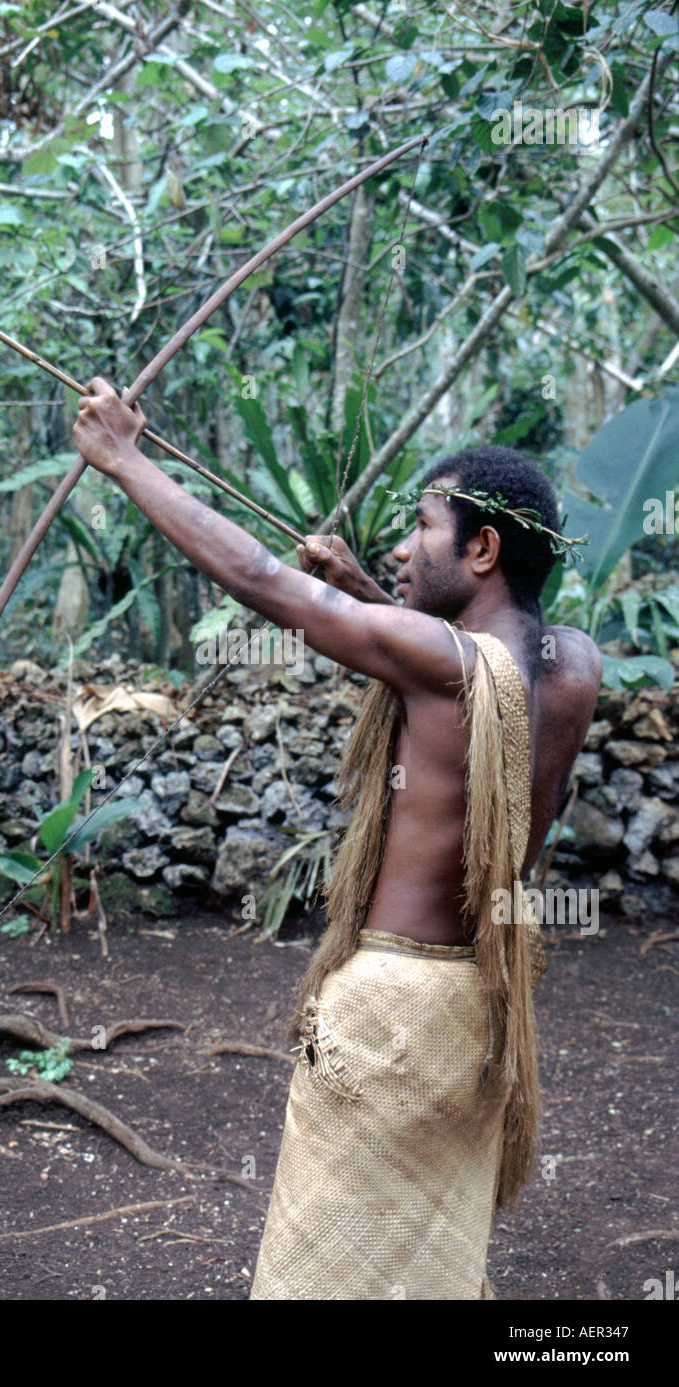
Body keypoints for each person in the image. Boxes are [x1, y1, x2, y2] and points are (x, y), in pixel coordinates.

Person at [73, 381, 602, 1300]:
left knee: (328, 1271)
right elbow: (480, 669)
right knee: (425, 1268)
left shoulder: (438, 660)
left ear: (482, 548)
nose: (400, 547)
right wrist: (365, 594)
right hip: (479, 1007)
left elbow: (264, 584)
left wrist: (125, 460)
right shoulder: (575, 668)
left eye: (424, 529)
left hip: (390, 1011)